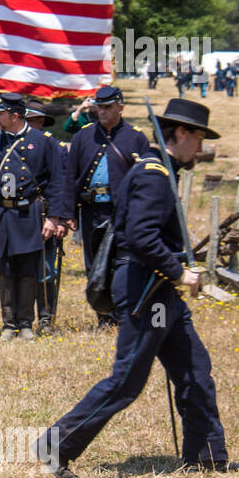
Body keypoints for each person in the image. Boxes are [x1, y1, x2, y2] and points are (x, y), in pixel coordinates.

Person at [36, 98, 239, 478]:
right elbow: (140, 237)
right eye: (198, 137)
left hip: (161, 291)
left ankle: (208, 455)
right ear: (180, 133)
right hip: (145, 288)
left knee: (194, 370)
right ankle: (56, 444)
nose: (201, 147)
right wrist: (179, 273)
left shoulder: (162, 170)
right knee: (127, 381)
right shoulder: (152, 173)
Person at [55, 85, 151, 328]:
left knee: (122, 263)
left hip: (123, 212)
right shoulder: (83, 137)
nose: (103, 112)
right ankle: (104, 317)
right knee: (94, 265)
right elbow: (71, 178)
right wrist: (68, 213)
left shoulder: (136, 137)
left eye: (108, 107)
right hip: (90, 210)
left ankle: (123, 314)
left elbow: (147, 179)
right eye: (100, 107)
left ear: (120, 107)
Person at [0, 94, 66, 340]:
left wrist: (53, 218)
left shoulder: (43, 142)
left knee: (28, 270)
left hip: (31, 212)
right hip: (4, 213)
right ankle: (8, 323)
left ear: (14, 115)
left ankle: (25, 323)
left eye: (0, 113)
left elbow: (56, 182)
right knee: (6, 270)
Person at [24, 99, 69, 335]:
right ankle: (23, 318)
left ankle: (45, 317)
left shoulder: (55, 147)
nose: (28, 125)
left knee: (46, 268)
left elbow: (61, 184)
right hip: (21, 215)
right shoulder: (13, 145)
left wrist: (60, 218)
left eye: (31, 121)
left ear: (41, 122)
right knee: (24, 267)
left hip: (46, 215)